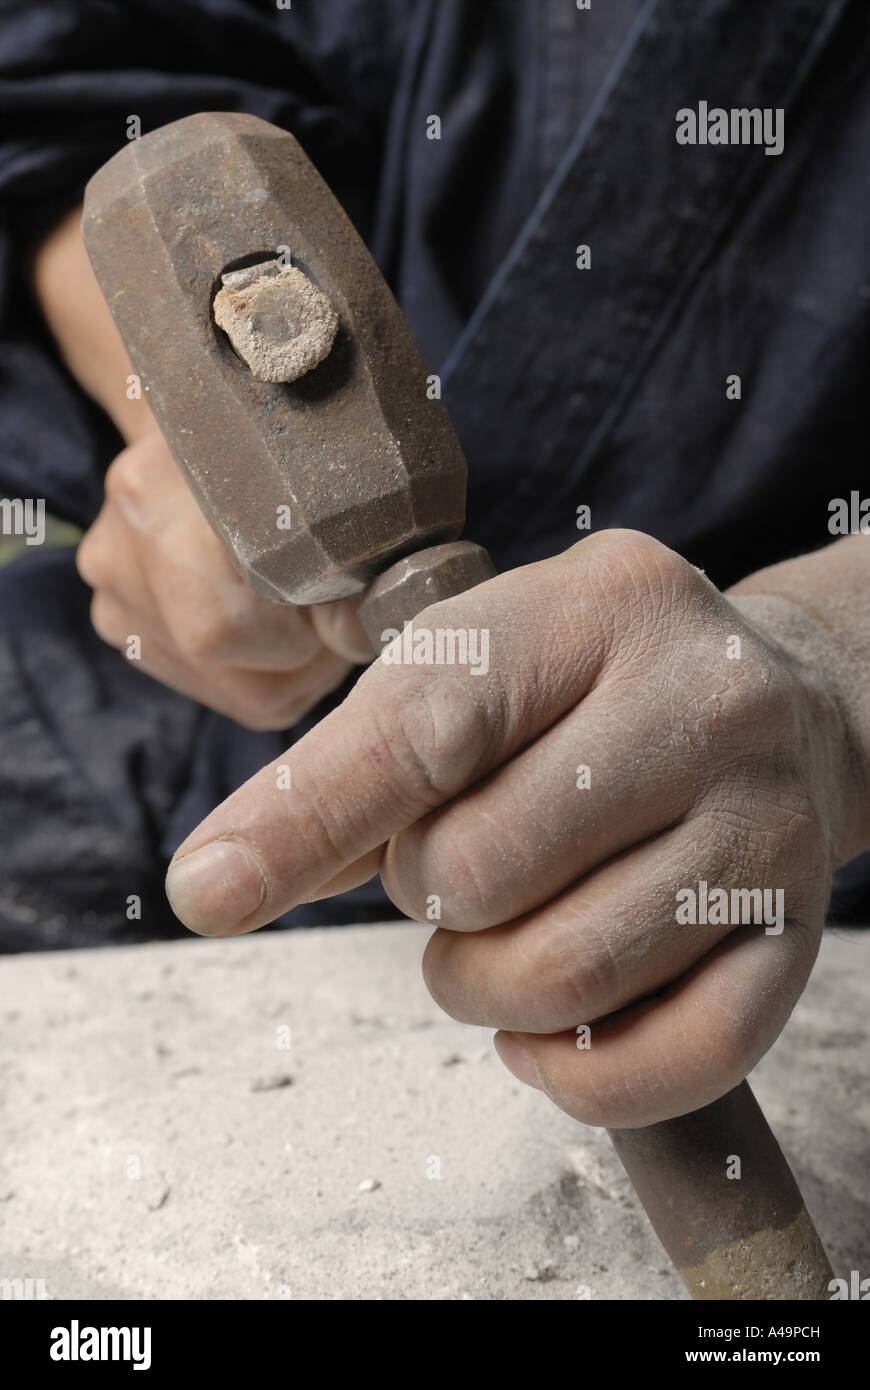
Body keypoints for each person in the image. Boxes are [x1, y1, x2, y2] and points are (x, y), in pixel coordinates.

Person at [2, 1, 869, 1123]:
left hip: (770, 797)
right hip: (283, 696)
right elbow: (84, 100)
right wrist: (194, 425)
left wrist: (827, 669)